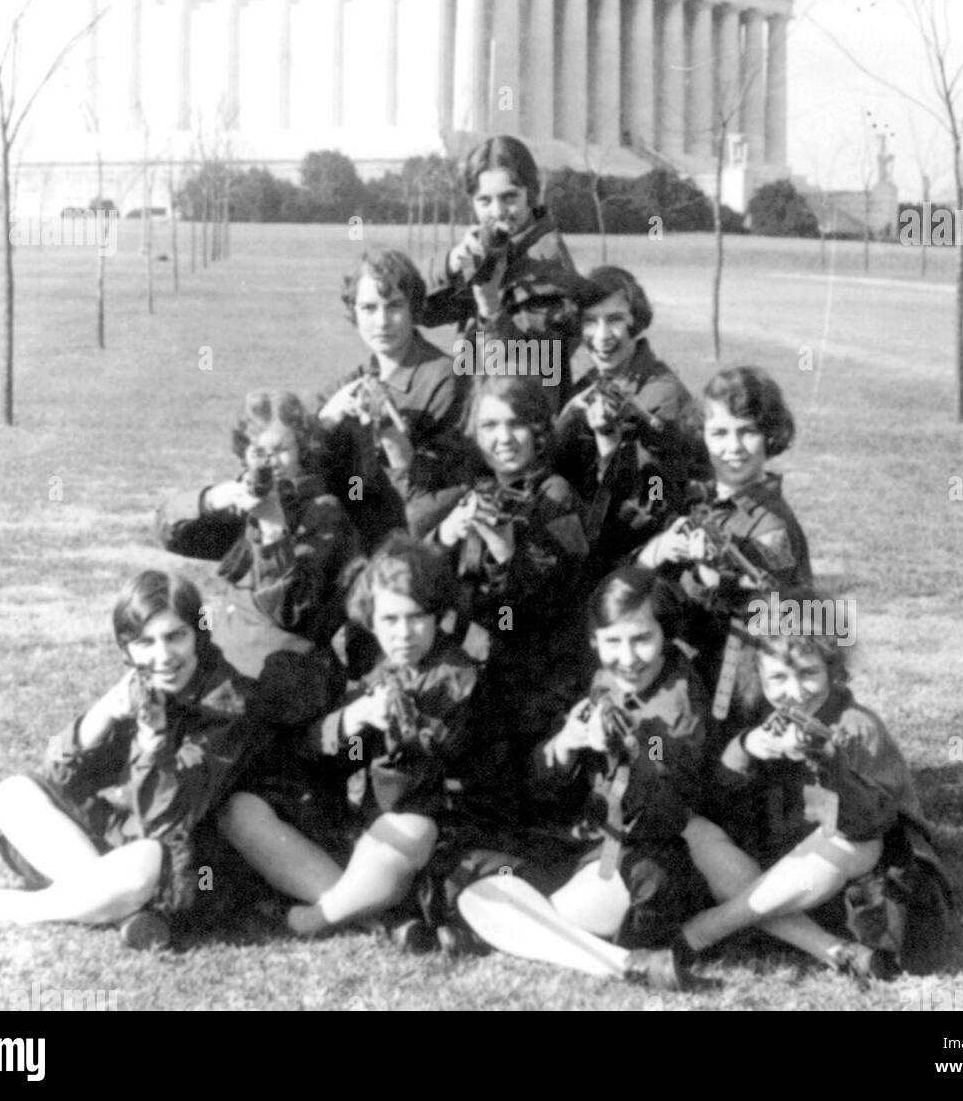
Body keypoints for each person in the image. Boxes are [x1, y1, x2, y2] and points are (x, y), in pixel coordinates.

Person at [624, 600, 953, 987]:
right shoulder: (767, 720)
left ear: (833, 669)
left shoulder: (856, 727)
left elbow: (869, 824)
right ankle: (830, 950)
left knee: (850, 841)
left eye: (809, 673)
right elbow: (715, 800)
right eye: (777, 678)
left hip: (867, 886)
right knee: (693, 828)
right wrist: (745, 748)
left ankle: (700, 933)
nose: (794, 692)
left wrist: (831, 764)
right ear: (757, 676)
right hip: (787, 883)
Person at [0, 572, 258, 948]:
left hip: (191, 867)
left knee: (144, 862)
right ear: (127, 649)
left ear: (198, 632)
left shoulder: (228, 703)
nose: (163, 656)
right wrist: (104, 714)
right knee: (14, 792)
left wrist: (154, 740)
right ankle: (121, 910)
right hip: (115, 845)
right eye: (145, 642)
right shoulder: (142, 684)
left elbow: (170, 818)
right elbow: (59, 777)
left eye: (176, 636)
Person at [452, 568, 711, 977]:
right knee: (469, 867)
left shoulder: (677, 701)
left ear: (666, 636)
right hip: (573, 845)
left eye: (642, 639)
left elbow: (665, 807)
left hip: (625, 857)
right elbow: (541, 789)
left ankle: (533, 933)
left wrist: (632, 755)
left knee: (493, 900)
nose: (628, 658)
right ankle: (620, 961)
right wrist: (567, 743)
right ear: (594, 641)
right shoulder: (601, 679)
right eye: (613, 642)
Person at [223, 534, 480, 942]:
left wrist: (401, 731)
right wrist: (351, 720)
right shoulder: (373, 665)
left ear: (438, 617)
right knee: (241, 810)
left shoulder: (457, 677)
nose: (403, 634)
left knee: (408, 830)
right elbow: (313, 753)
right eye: (389, 621)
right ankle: (376, 916)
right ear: (371, 621)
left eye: (416, 618)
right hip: (357, 828)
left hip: (425, 835)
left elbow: (434, 781)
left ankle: (311, 919)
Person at [636, 366, 811, 718]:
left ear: (770, 436)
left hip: (739, 684)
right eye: (719, 433)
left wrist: (707, 581)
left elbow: (778, 619)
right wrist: (661, 549)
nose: (732, 448)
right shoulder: (709, 496)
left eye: (747, 432)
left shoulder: (771, 527)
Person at [432, 374, 589, 749]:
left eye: (517, 423)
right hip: (476, 663)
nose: (503, 438)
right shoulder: (478, 488)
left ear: (539, 430)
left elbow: (560, 597)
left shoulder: (557, 498)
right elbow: (426, 580)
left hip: (535, 677)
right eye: (489, 425)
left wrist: (507, 556)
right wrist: (445, 536)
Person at [157, 390, 361, 677]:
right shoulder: (247, 501)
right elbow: (170, 533)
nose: (271, 463)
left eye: (281, 450)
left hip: (284, 678)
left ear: (303, 448)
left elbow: (289, 610)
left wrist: (272, 528)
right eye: (259, 452)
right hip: (224, 664)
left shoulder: (324, 513)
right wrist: (214, 498)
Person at [417, 135, 594, 403]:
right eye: (484, 201)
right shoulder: (497, 248)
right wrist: (453, 262)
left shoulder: (546, 262)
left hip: (521, 420)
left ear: (530, 195)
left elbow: (534, 369)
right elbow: (420, 309)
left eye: (509, 197)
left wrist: (490, 307)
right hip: (479, 404)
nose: (497, 212)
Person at [316, 249, 470, 550]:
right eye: (369, 308)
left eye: (395, 306)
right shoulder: (351, 384)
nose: (382, 321)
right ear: (354, 312)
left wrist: (392, 436)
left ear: (415, 308)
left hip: (420, 543)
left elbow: (437, 493)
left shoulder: (445, 379)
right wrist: (326, 420)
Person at [556, 266, 697, 579]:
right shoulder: (590, 384)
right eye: (591, 321)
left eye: (615, 320)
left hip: (645, 556)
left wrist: (608, 442)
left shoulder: (663, 393)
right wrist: (567, 416)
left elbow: (650, 503)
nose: (602, 335)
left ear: (636, 322)